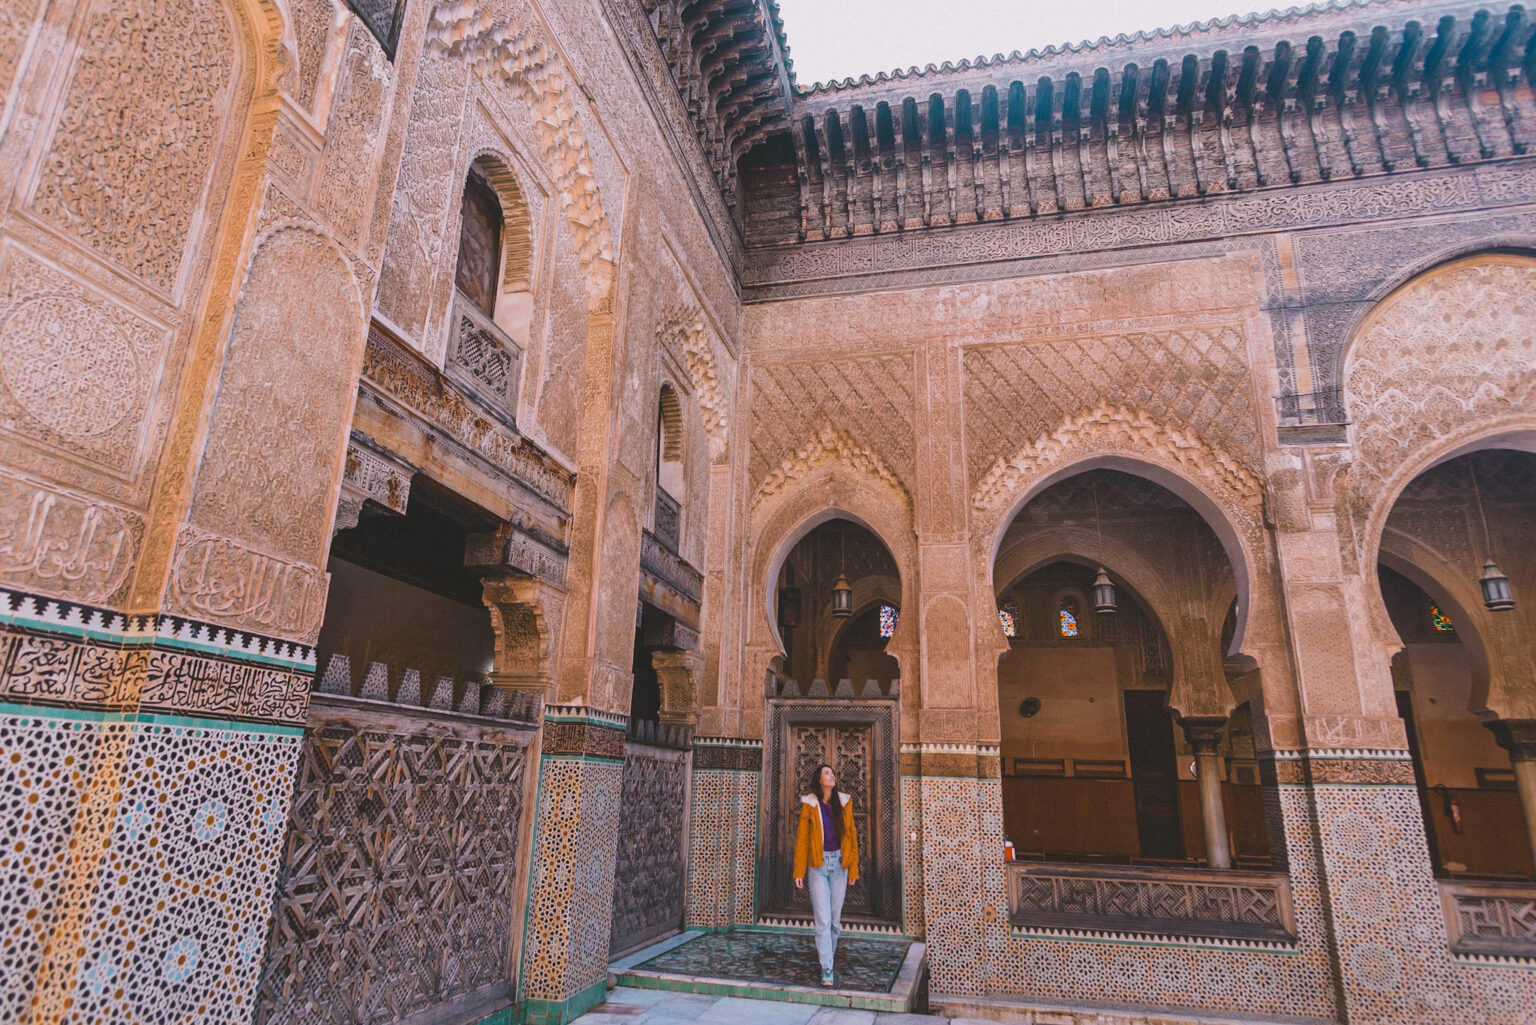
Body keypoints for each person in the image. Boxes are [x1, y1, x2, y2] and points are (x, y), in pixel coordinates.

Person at [793, 763, 859, 987]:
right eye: (827, 773)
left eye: (832, 773)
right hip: (817, 865)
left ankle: (828, 958)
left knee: (834, 921)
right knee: (822, 919)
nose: (832, 776)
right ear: (819, 780)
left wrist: (853, 868)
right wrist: (799, 870)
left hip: (840, 864)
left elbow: (851, 834)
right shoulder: (810, 804)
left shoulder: (843, 802)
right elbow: (802, 838)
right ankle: (827, 967)